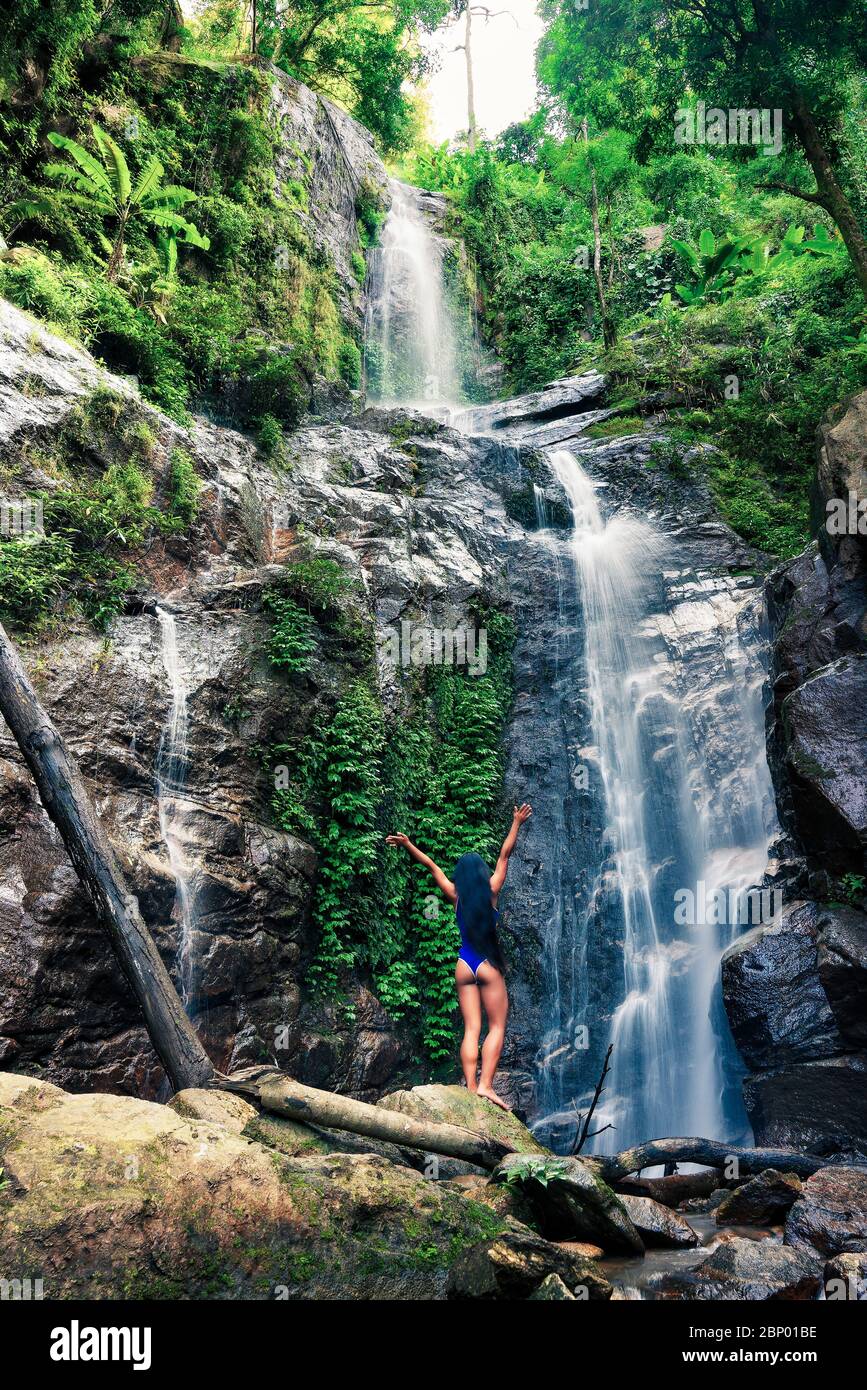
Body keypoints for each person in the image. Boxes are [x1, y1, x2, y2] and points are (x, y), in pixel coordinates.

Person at [385, 804, 532, 1110]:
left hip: (464, 964)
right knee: (497, 1026)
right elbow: (504, 856)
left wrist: (409, 844)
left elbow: (431, 866)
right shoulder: (492, 888)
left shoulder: (455, 894)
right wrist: (516, 822)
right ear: (481, 873)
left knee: (470, 1029)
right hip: (488, 966)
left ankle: (470, 1086)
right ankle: (486, 1087)